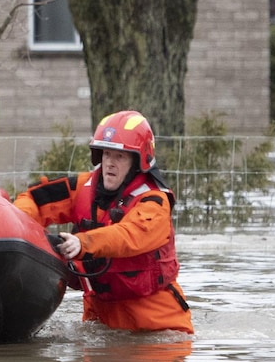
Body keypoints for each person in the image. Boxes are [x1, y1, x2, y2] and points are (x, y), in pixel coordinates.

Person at [12, 110, 194, 334]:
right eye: (106, 154)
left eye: (119, 156)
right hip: (100, 322)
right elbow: (34, 200)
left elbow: (129, 235)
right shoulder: (83, 187)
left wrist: (83, 244)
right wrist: (16, 230)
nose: (110, 163)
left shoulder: (155, 202)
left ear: (138, 162)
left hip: (157, 328)